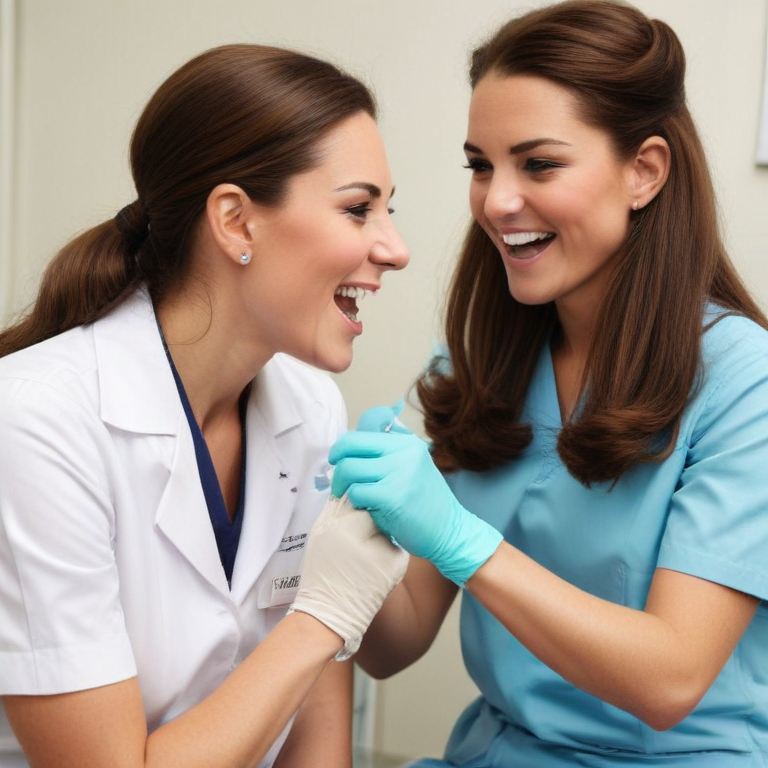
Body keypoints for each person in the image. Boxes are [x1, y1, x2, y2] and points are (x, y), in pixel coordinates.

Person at [329, 1, 768, 765]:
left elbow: (670, 678)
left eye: (538, 164)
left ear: (645, 171)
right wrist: (331, 528)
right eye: (480, 165)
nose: (496, 201)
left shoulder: (744, 383)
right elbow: (391, 646)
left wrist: (463, 540)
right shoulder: (474, 363)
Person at [0, 43, 410, 768]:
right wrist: (325, 613)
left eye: (388, 211)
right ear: (235, 222)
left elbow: (315, 747)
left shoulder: (311, 405)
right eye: (358, 209)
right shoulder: (35, 422)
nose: (395, 248)